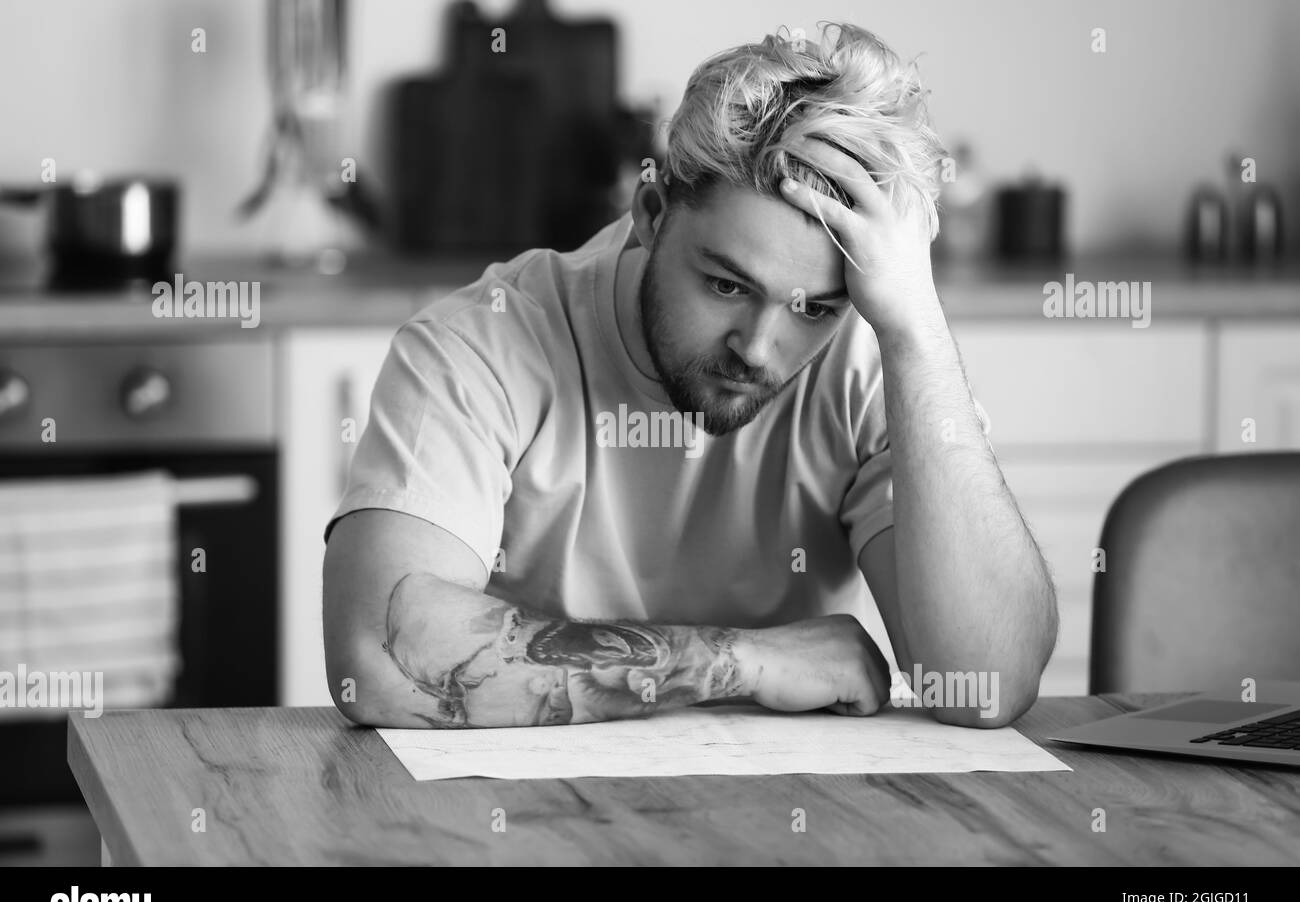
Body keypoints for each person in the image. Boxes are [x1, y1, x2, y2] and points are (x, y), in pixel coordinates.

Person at [322, 22, 1057, 730]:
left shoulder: (872, 358)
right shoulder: (479, 344)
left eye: (815, 309)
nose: (761, 349)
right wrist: (745, 662)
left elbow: (987, 684)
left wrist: (918, 329)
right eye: (727, 286)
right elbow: (379, 657)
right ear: (651, 214)